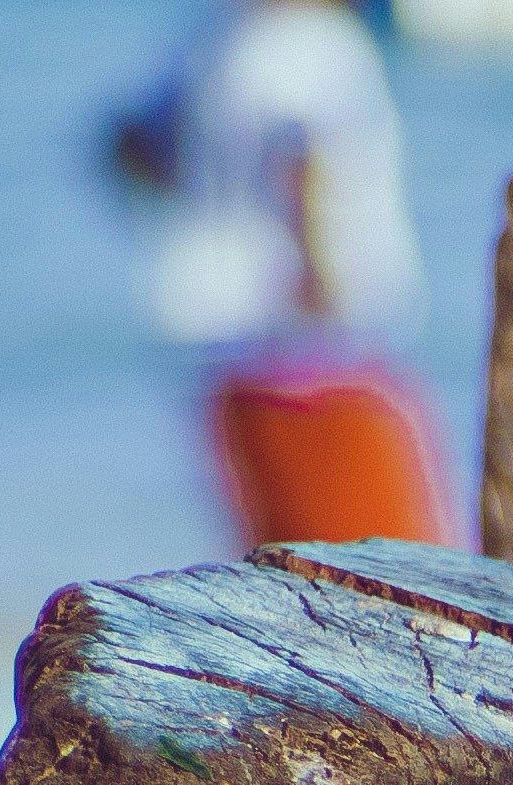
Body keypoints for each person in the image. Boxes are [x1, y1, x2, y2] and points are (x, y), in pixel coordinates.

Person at [107, 0, 447, 550]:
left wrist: (204, 216)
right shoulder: (311, 40)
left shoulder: (217, 41)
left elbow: (130, 147)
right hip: (320, 353)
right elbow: (300, 156)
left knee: (283, 561)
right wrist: (318, 278)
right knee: (393, 570)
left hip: (232, 351)